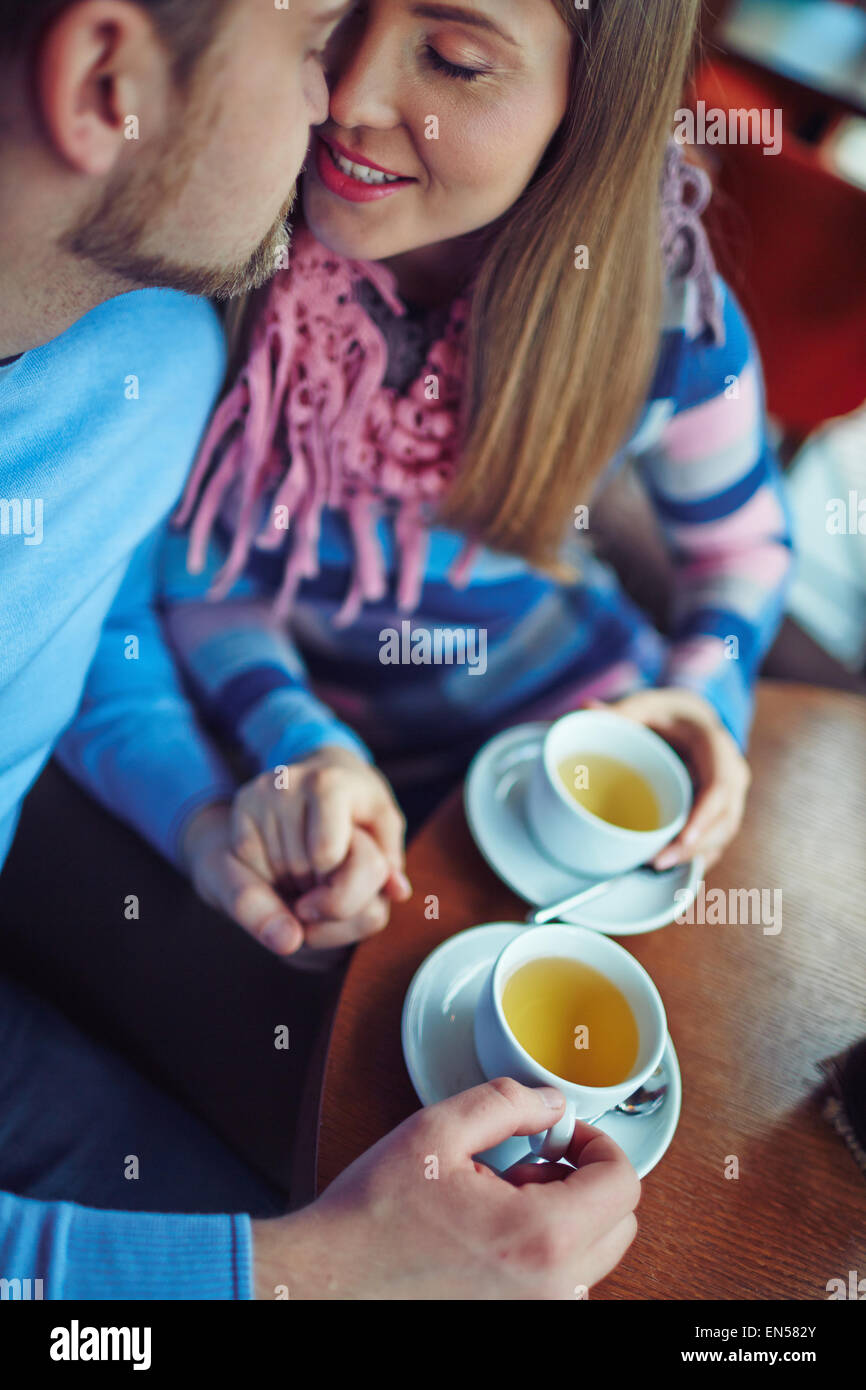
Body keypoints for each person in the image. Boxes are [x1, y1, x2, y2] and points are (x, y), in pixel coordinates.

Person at [0, 0, 641, 1301]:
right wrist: (309, 1277)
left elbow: (80, 604)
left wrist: (210, 808)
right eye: (312, 44)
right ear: (103, 76)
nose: (331, 104)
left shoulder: (149, 351)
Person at [58, 0, 794, 958]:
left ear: (594, 109)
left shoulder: (666, 318)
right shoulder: (222, 258)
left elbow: (741, 546)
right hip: (312, 760)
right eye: (341, 11)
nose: (348, 95)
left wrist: (704, 694)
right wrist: (292, 735)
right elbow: (191, 578)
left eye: (452, 60)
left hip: (574, 739)